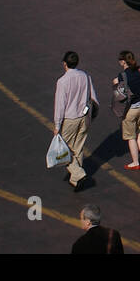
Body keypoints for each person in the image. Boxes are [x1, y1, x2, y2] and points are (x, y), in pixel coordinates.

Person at [53, 51, 99, 192]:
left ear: (65, 64)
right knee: (78, 147)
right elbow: (93, 96)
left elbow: (60, 104)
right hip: (84, 117)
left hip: (70, 118)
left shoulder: (63, 81)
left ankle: (79, 174)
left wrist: (57, 125)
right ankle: (75, 180)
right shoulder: (85, 76)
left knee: (63, 150)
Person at [112, 51, 140, 170]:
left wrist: (115, 83)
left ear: (123, 61)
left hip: (131, 109)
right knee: (138, 131)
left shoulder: (122, 76)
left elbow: (118, 93)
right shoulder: (139, 70)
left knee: (131, 137)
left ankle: (135, 162)